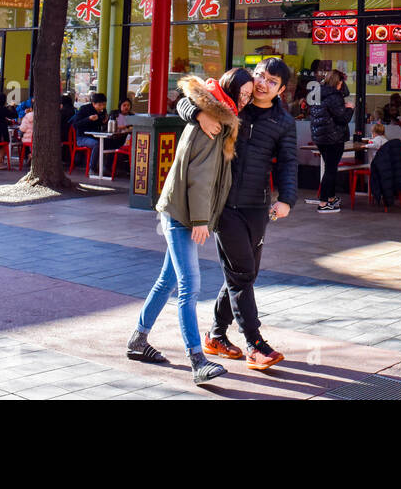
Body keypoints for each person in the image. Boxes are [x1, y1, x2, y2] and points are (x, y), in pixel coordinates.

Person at [129, 70, 246, 386]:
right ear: (231, 92)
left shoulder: (218, 116)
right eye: (244, 93)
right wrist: (199, 221)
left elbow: (187, 103)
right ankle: (197, 359)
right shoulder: (213, 121)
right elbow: (201, 176)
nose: (246, 99)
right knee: (189, 286)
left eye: (250, 94)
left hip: (180, 209)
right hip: (182, 213)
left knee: (167, 280)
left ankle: (138, 341)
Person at [181, 57, 296, 370]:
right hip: (225, 204)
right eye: (260, 75)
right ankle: (254, 343)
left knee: (243, 274)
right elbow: (186, 102)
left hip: (257, 206)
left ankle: (216, 335)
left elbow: (287, 162)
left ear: (281, 89)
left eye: (272, 81)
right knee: (242, 272)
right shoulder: (235, 103)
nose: (262, 84)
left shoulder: (283, 122)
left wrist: (286, 198)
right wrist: (200, 115)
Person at [310, 69, 352, 214]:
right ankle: (323, 202)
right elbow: (342, 118)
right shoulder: (335, 96)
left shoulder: (318, 92)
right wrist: (350, 109)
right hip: (334, 138)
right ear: (338, 82)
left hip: (320, 137)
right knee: (331, 169)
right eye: (341, 82)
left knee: (330, 167)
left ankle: (331, 198)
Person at [70, 92, 108, 170]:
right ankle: (92, 169)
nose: (102, 107)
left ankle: (106, 168)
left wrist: (104, 122)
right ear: (93, 104)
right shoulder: (84, 109)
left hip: (96, 136)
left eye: (104, 105)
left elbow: (101, 125)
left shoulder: (103, 111)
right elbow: (75, 124)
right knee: (97, 144)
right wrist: (88, 119)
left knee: (109, 143)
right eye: (100, 105)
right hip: (82, 137)